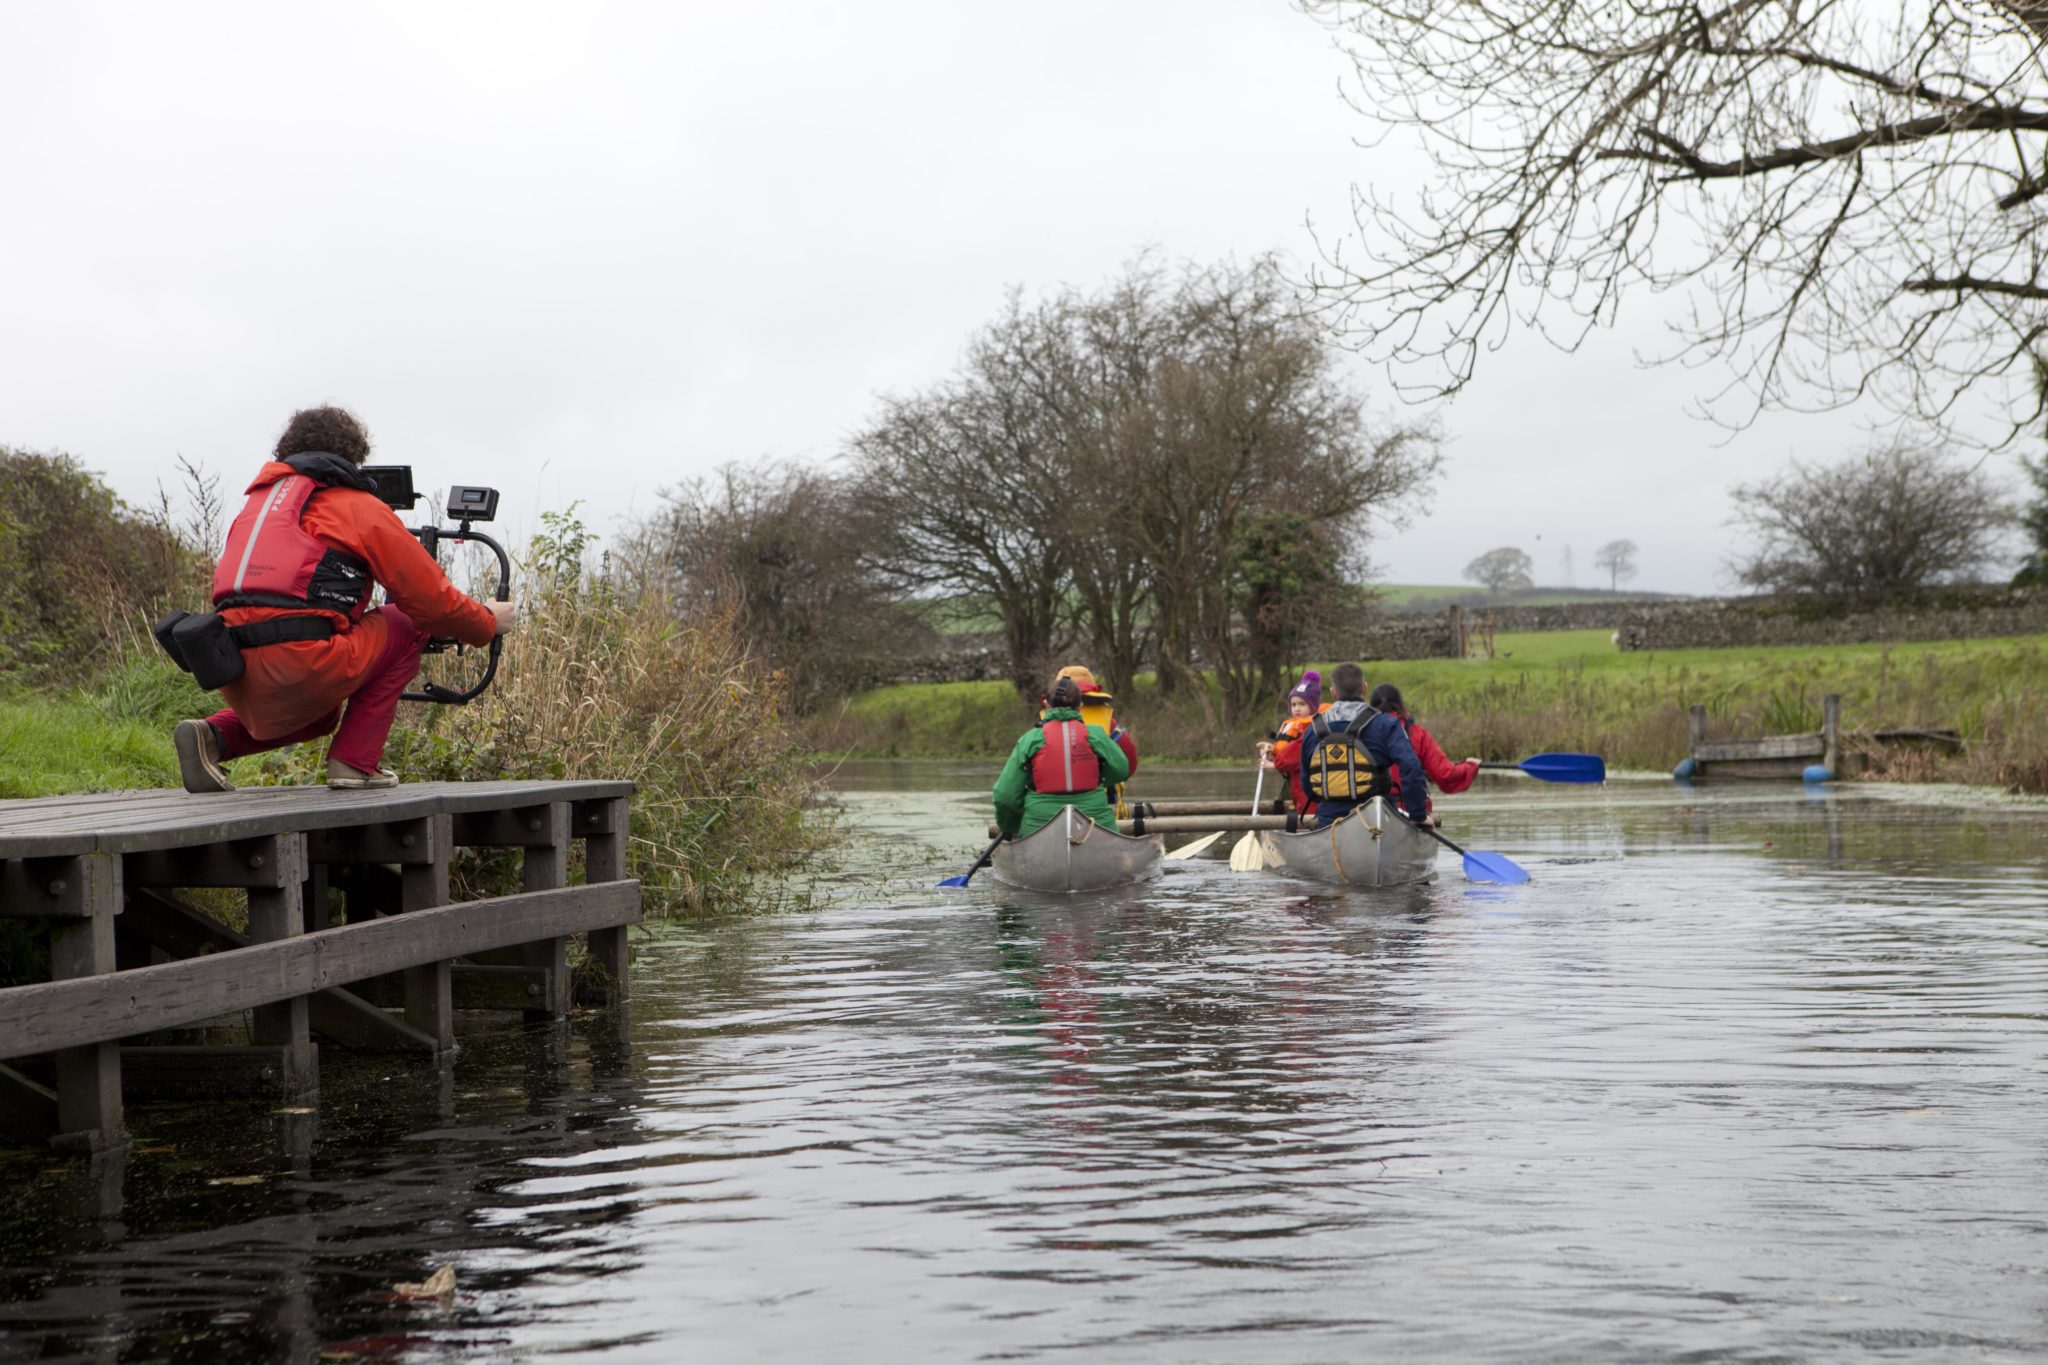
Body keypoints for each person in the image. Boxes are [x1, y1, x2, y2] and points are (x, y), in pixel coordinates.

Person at [171, 405, 517, 794]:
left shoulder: (255, 510)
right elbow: (431, 603)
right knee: (408, 625)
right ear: (351, 457)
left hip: (233, 670)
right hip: (304, 664)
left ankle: (213, 736)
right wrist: (487, 620)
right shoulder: (359, 508)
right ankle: (354, 763)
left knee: (321, 717)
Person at [993, 675, 1132, 838]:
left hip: (1038, 829)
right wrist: (1098, 780)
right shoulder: (1096, 735)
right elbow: (1122, 769)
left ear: (1045, 705)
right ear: (1080, 707)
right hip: (1097, 826)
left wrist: (1010, 827)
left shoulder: (1030, 739)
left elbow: (1004, 796)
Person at [1296, 663, 1429, 828]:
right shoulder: (1386, 724)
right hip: (1377, 817)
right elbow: (1411, 767)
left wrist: (1326, 800)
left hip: (1329, 820)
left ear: (1333, 692)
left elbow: (1306, 781)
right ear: (1365, 688)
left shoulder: (1312, 729)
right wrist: (1418, 815)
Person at [1369, 683, 1480, 825]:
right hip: (1411, 812)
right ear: (1400, 705)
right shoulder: (1417, 733)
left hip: (1370, 813)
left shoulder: (1364, 733)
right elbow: (1445, 774)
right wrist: (1470, 766)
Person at [1055, 664, 1138, 802]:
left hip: (1054, 803)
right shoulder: (1108, 724)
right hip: (1101, 801)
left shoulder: (1044, 723)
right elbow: (1130, 764)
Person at [1259, 670, 1323, 819]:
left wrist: (1275, 765)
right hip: (1296, 781)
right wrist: (1271, 755)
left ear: (1313, 706)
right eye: (1293, 704)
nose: (1297, 708)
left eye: (1302, 704)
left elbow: (1296, 757)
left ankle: (1309, 830)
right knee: (1299, 805)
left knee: (1308, 810)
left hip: (1309, 782)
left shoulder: (1313, 728)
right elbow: (1287, 751)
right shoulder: (1294, 726)